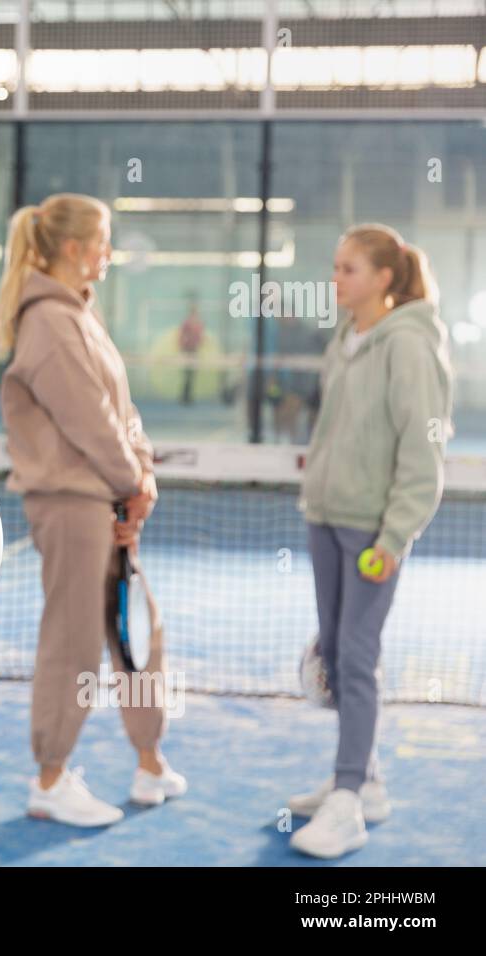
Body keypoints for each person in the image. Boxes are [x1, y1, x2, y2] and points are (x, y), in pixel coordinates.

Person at [0, 193, 186, 827]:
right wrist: (132, 482)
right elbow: (89, 421)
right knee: (73, 640)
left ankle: (150, 761)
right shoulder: (49, 320)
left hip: (104, 499)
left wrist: (141, 480)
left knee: (137, 633)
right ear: (74, 248)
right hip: (73, 507)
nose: (109, 253)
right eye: (103, 241)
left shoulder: (79, 316)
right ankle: (49, 779)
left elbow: (121, 414)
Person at [289, 223, 453, 859]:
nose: (336, 280)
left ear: (385, 278)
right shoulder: (347, 340)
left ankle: (349, 799)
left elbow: (423, 452)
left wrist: (395, 535)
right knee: (334, 651)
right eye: (334, 268)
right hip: (324, 516)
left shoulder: (409, 346)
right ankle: (366, 781)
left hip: (372, 531)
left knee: (356, 656)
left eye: (348, 269)